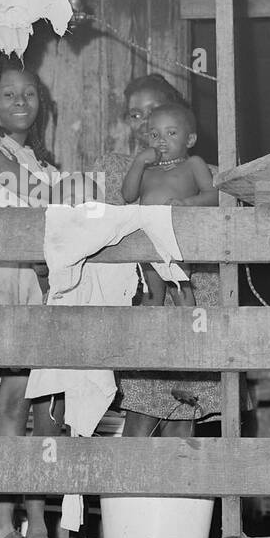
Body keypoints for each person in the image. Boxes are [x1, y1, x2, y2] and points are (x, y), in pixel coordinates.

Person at [90, 74, 222, 438]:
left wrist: (189, 204)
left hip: (192, 285)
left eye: (156, 112)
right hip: (138, 290)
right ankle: (133, 493)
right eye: (137, 117)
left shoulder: (203, 169)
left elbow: (216, 203)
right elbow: (115, 210)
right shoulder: (119, 165)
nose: (150, 126)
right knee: (140, 411)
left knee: (185, 414)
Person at [0, 57, 61, 538]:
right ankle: (2, 522)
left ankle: (41, 524)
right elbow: (49, 205)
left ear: (40, 104)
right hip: (6, 283)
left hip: (42, 288)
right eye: (9, 94)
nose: (20, 102)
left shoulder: (44, 166)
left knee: (45, 407)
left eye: (29, 94)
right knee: (10, 402)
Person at [121, 100, 218, 307]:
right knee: (150, 293)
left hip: (176, 235)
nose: (161, 141)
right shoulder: (146, 170)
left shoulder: (193, 164)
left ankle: (191, 334)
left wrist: (187, 203)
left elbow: (214, 195)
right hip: (146, 237)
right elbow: (128, 196)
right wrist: (138, 163)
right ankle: (149, 337)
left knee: (179, 287)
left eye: (171, 133)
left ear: (190, 139)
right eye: (155, 135)